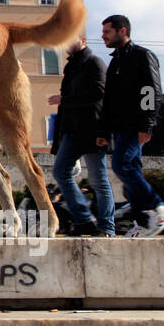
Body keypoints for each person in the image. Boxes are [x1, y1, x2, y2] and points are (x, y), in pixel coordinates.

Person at [95, 14, 164, 237]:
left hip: (135, 124)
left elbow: (150, 91)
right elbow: (109, 101)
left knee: (122, 166)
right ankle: (143, 221)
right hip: (119, 127)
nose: (102, 36)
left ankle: (159, 208)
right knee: (131, 172)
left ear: (122, 31)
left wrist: (146, 124)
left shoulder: (142, 56)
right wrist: (103, 132)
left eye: (107, 32)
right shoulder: (115, 62)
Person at [47, 35, 113, 236]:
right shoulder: (71, 66)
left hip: (92, 130)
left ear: (82, 40)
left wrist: (64, 99)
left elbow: (99, 93)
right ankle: (84, 219)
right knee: (60, 171)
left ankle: (106, 227)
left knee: (98, 180)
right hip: (72, 130)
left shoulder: (95, 63)